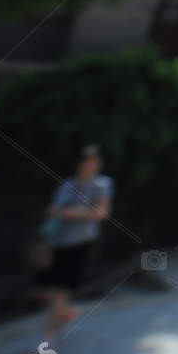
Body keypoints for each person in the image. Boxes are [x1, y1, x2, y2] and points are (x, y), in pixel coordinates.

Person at [35, 144, 113, 340]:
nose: (89, 165)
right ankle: (64, 312)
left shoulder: (102, 184)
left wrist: (72, 213)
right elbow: (53, 209)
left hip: (80, 242)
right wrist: (57, 213)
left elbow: (102, 213)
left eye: (93, 161)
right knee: (43, 291)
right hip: (56, 241)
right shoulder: (68, 184)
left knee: (62, 289)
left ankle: (48, 338)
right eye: (86, 161)